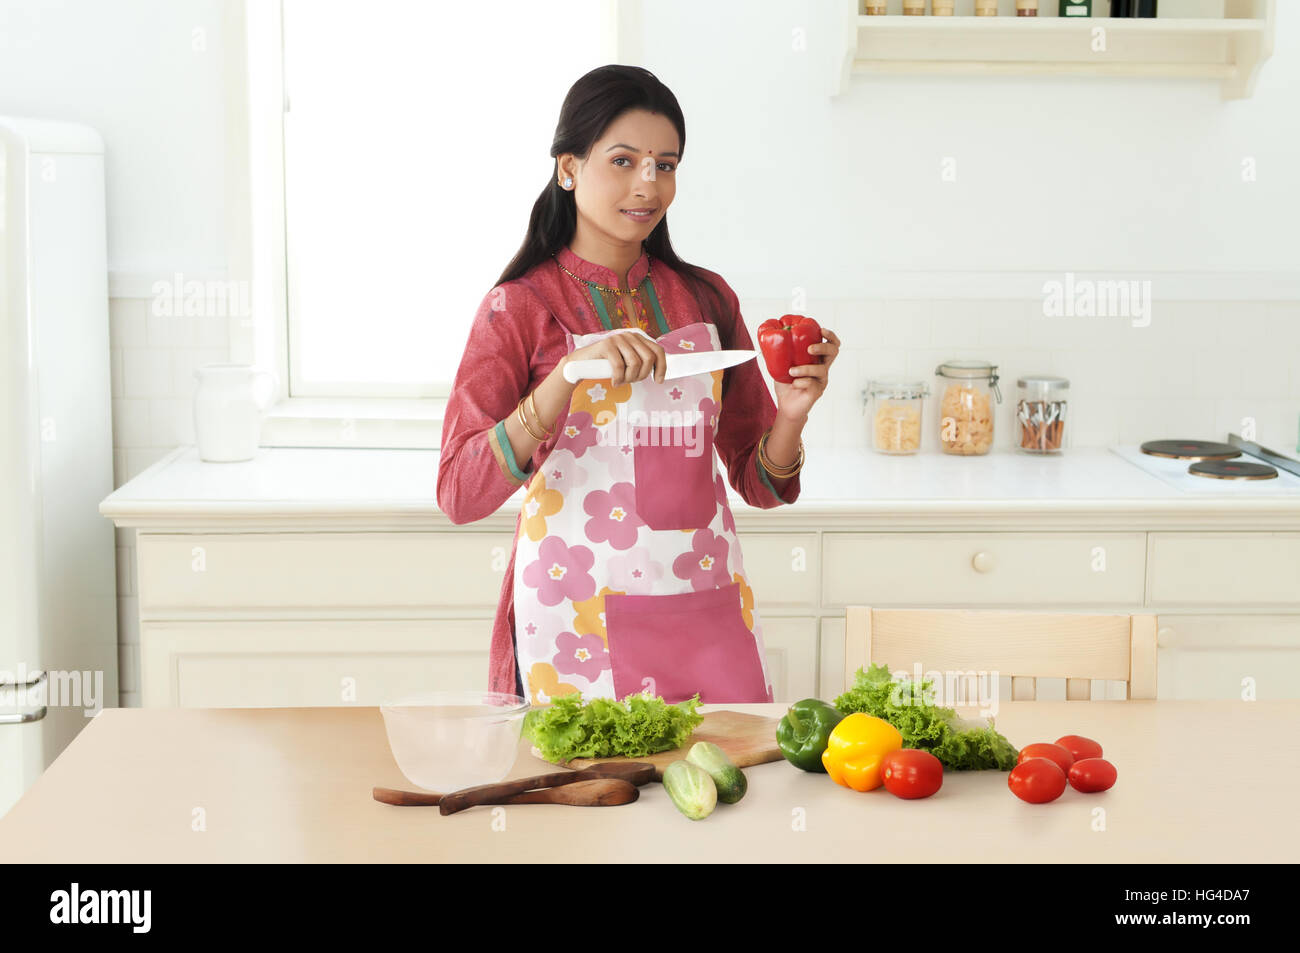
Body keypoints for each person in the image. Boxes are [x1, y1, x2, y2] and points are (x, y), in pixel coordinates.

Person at [436, 65, 838, 706]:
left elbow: (760, 484)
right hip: (572, 619)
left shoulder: (704, 299)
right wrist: (568, 377)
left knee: (725, 791)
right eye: (623, 161)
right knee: (600, 793)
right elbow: (459, 493)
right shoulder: (518, 308)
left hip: (700, 609)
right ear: (568, 165)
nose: (648, 185)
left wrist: (791, 414)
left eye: (665, 164)